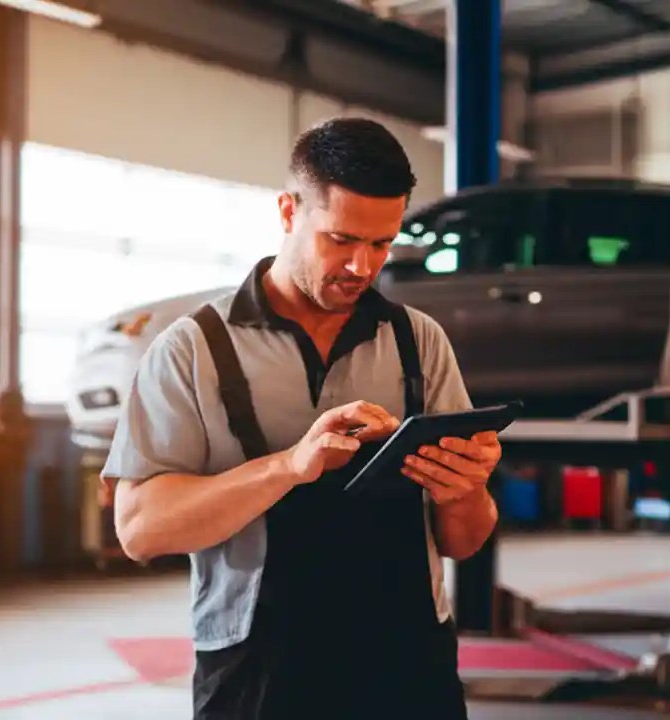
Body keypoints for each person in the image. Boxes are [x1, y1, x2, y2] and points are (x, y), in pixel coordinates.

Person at [101, 117, 502, 719]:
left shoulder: (418, 343)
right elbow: (140, 531)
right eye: (341, 239)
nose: (363, 267)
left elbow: (463, 540)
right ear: (289, 211)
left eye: (381, 243)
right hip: (259, 674)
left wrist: (464, 490)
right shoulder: (194, 351)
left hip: (408, 667)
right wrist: (289, 466)